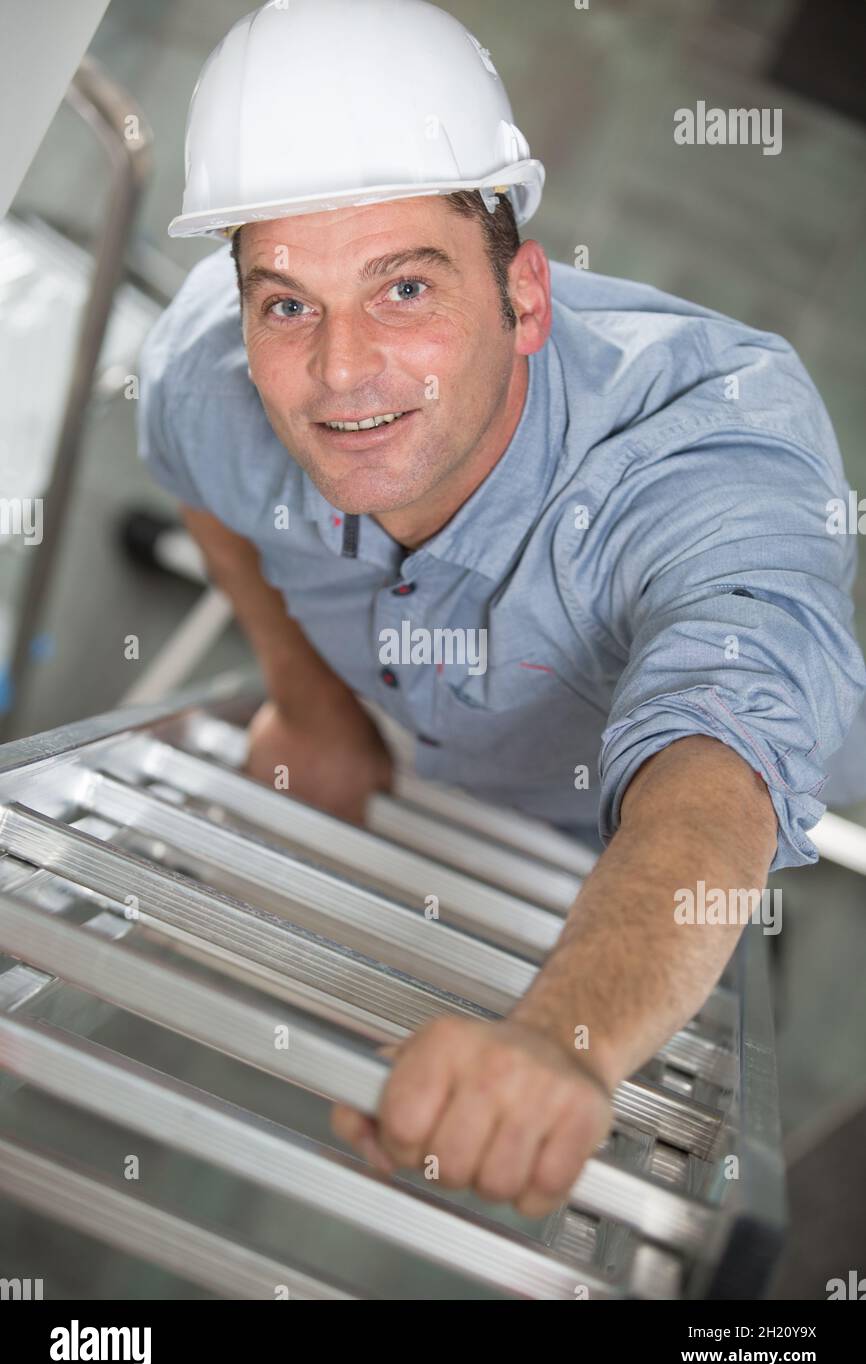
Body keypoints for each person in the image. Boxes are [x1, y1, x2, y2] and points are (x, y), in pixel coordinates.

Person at [137, 0, 866, 1219]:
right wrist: (305, 695)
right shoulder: (206, 378)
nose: (340, 369)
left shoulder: (712, 455)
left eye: (404, 288)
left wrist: (569, 1041)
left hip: (630, 847)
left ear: (525, 297)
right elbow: (193, 473)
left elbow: (719, 753)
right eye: (287, 303)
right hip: (420, 775)